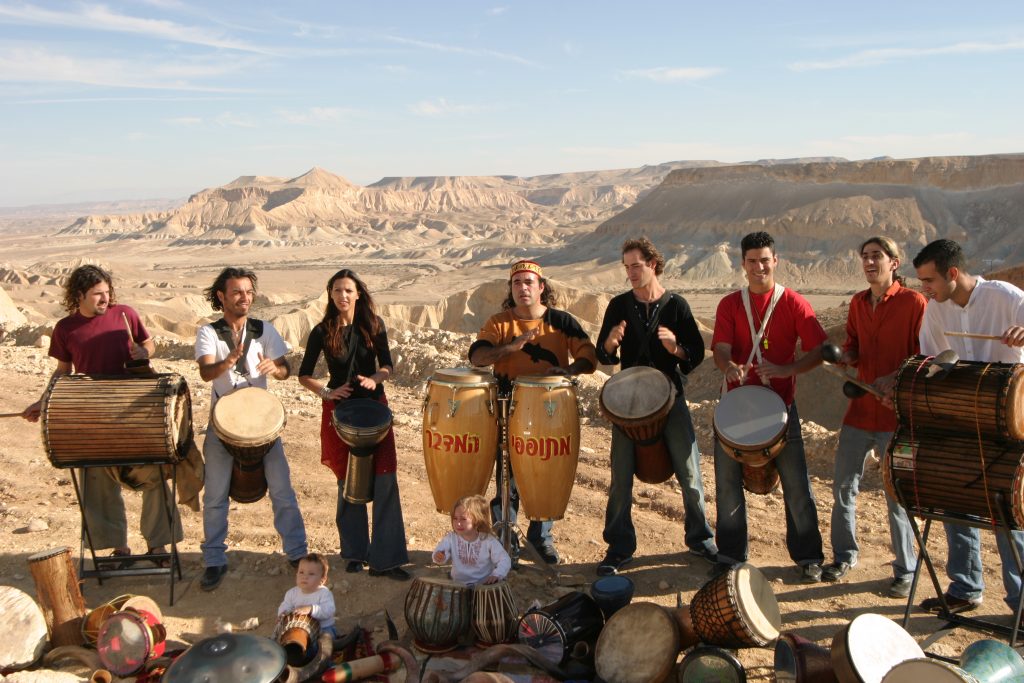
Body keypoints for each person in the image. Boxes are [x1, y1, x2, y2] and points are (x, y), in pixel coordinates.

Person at [21, 264, 181, 566]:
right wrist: (44, 402)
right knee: (97, 481)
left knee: (156, 474)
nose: (105, 299)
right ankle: (116, 549)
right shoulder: (65, 328)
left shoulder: (126, 315)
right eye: (98, 294)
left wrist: (145, 352)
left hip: (134, 412)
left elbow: (149, 343)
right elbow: (62, 372)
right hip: (93, 415)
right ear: (80, 295)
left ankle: (158, 546)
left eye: (107, 292)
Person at [912, 238, 1024, 617]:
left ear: (953, 273)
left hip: (1008, 425)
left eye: (929, 280)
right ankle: (965, 587)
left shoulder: (1005, 297)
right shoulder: (935, 310)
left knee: (1009, 512)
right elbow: (931, 359)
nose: (925, 289)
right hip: (962, 421)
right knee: (955, 499)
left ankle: (1021, 604)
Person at [594, 237, 717, 576]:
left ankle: (701, 538)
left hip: (669, 398)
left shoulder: (677, 306)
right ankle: (619, 546)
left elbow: (695, 353)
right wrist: (610, 343)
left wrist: (676, 348)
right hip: (628, 403)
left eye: (636, 265)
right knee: (620, 477)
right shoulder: (619, 305)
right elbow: (603, 354)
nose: (631, 273)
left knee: (690, 473)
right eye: (627, 267)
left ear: (653, 264)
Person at [710, 231, 827, 583]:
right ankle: (730, 555)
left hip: (781, 409)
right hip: (735, 406)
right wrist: (728, 366)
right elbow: (720, 349)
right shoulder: (730, 304)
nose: (759, 267)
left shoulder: (793, 303)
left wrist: (788, 369)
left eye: (765, 260)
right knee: (726, 484)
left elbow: (820, 350)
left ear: (776, 261)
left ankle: (809, 556)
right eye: (752, 261)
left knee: (796, 483)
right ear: (742, 264)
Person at [468, 259, 597, 565]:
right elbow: (477, 357)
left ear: (541, 287)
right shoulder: (500, 323)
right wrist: (510, 348)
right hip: (508, 407)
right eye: (517, 282)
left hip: (551, 409)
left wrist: (569, 370)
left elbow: (589, 357)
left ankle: (541, 538)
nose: (522, 288)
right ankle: (506, 537)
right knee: (507, 475)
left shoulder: (561, 321)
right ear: (510, 289)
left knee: (546, 473)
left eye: (529, 282)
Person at [822, 236, 925, 597]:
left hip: (898, 418)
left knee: (898, 493)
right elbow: (854, 345)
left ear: (894, 263)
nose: (869, 262)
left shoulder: (915, 302)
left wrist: (895, 377)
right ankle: (844, 556)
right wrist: (846, 357)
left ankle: (905, 570)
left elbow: (924, 355)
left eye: (876, 256)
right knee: (842, 487)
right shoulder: (857, 302)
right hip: (860, 413)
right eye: (864, 256)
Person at [195, 267, 308, 591]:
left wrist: (276, 368)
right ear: (222, 296)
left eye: (248, 292)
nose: (244, 298)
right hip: (222, 427)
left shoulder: (263, 330)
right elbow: (206, 372)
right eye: (237, 292)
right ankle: (214, 560)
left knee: (283, 491)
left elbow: (286, 369)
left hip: (262, 427)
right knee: (215, 496)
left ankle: (297, 553)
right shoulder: (209, 333)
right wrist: (227, 362)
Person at [298, 269, 410, 581]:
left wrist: (375, 378)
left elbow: (387, 365)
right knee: (347, 482)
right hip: (340, 412)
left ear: (358, 293)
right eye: (337, 290)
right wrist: (327, 392)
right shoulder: (322, 331)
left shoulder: (374, 325)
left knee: (385, 479)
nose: (342, 296)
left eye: (348, 290)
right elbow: (304, 374)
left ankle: (387, 560)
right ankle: (354, 554)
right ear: (330, 295)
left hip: (375, 410)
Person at [432, 494, 512, 585]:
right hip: (458, 586)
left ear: (476, 520)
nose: (458, 523)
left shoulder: (488, 540)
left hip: (483, 587)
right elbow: (439, 553)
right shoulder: (451, 538)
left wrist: (497, 574)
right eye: (455, 518)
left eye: (463, 519)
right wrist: (439, 557)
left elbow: (505, 559)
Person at [277, 553, 338, 638]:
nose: (305, 577)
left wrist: (311, 609)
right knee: (282, 636)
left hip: (323, 628)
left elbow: (329, 610)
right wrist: (283, 613)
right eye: (301, 572)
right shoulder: (292, 593)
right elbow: (285, 605)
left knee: (326, 639)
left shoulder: (324, 593)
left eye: (311, 574)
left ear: (322, 580)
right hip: (298, 628)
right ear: (296, 575)